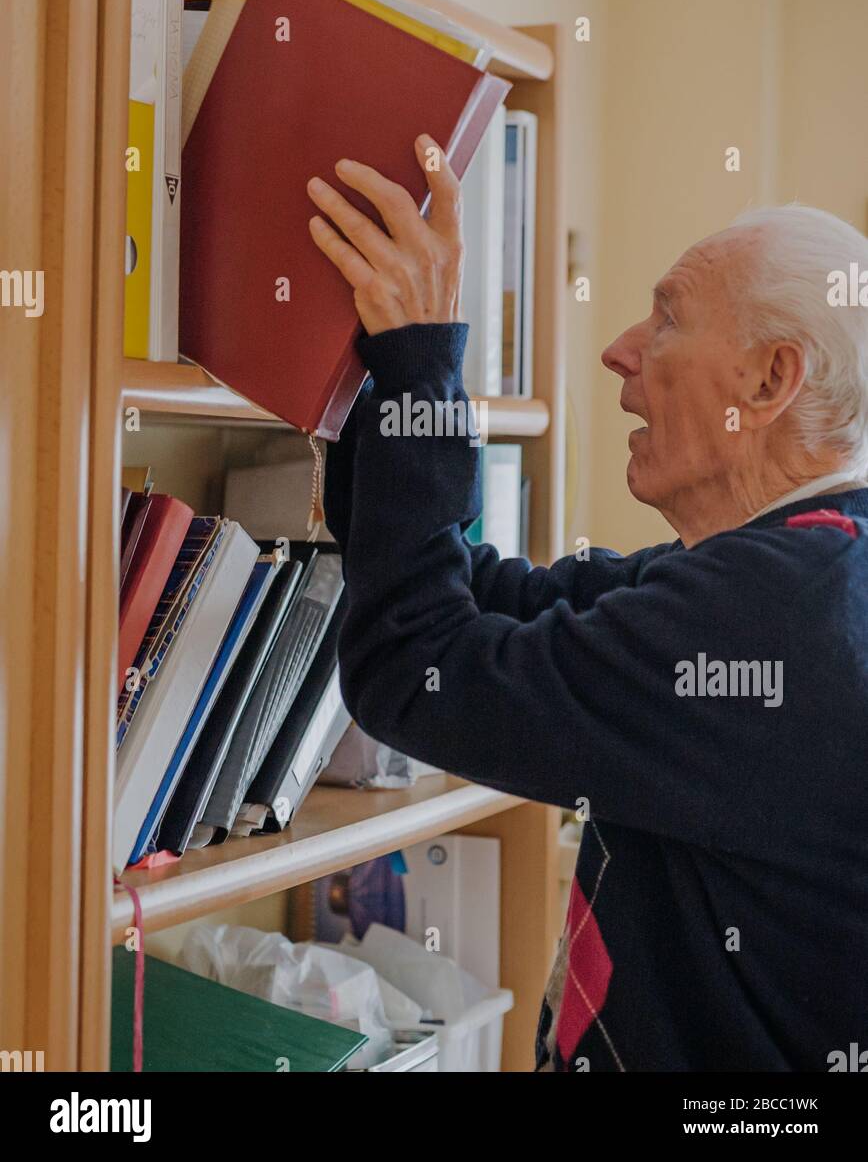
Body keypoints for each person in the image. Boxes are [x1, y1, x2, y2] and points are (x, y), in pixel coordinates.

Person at [306, 138, 868, 1072]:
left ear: (770, 381)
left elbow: (415, 667)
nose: (620, 352)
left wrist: (421, 357)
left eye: (668, 319)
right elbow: (472, 592)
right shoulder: (801, 576)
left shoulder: (769, 618)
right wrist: (384, 358)